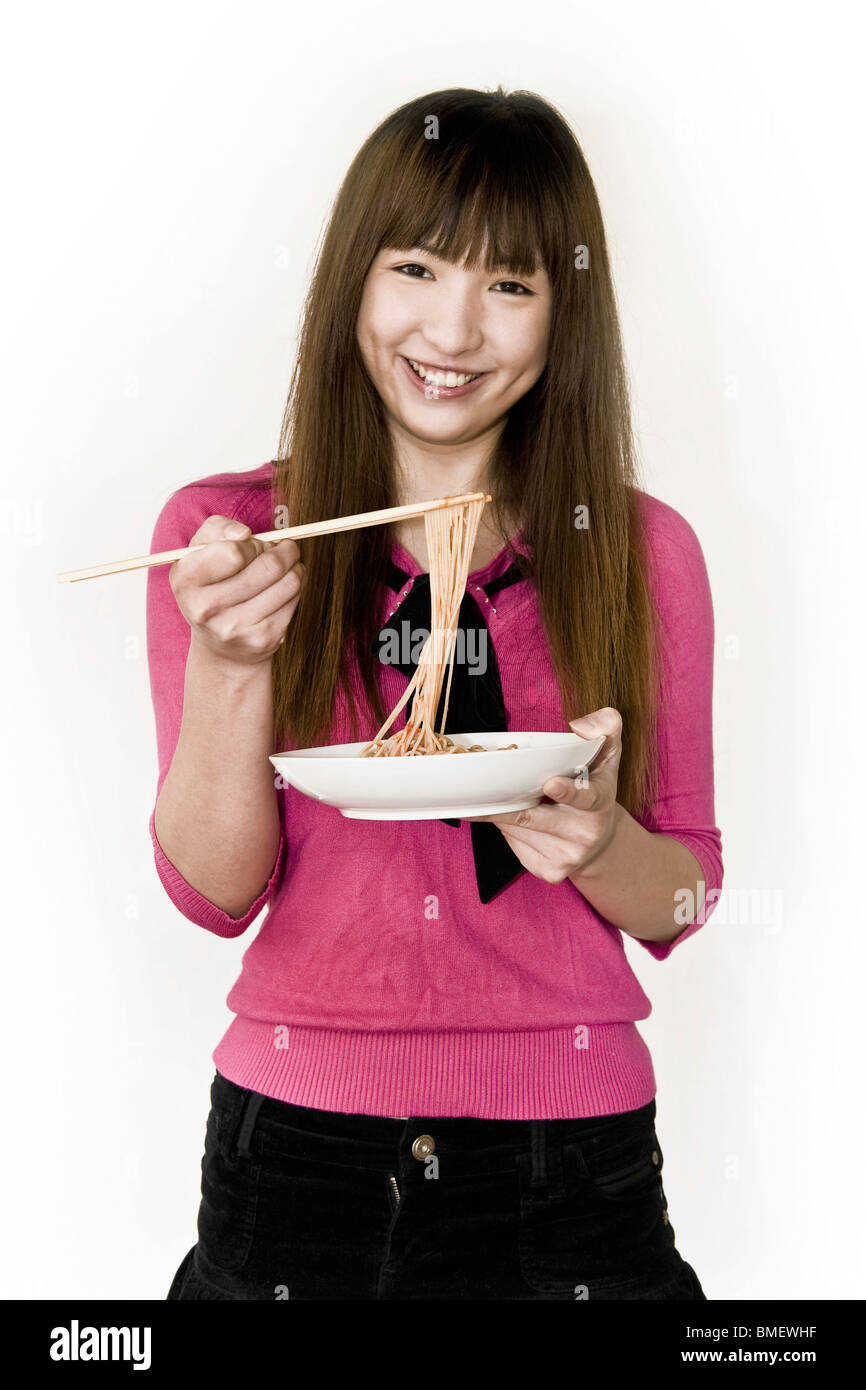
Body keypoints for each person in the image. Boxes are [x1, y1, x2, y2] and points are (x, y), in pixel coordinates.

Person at [147, 86, 723, 1300]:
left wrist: (597, 836)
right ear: (355, 278)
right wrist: (231, 666)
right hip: (296, 1151)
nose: (453, 330)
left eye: (509, 285)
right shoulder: (232, 540)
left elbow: (682, 894)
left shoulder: (638, 550)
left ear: (564, 311)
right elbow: (212, 892)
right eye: (415, 267)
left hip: (567, 1168)